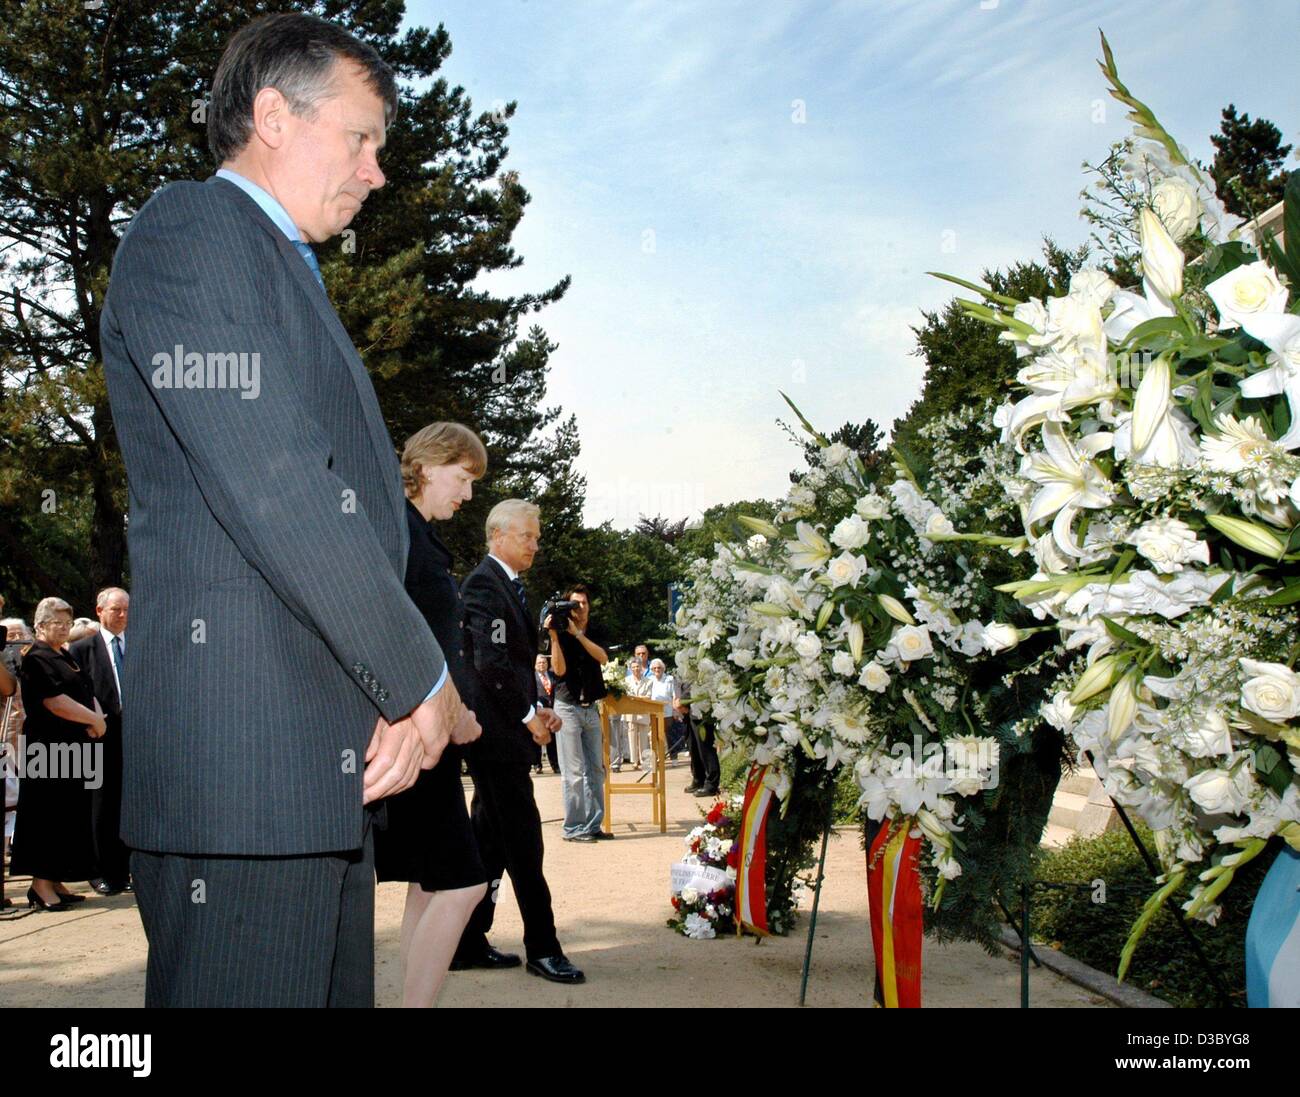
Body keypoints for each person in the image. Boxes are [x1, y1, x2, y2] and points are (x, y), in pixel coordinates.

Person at [98, 12, 476, 1006]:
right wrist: (418, 678)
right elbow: (280, 482)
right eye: (360, 139)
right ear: (273, 115)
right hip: (246, 782)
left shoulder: (272, 263)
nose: (375, 172)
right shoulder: (192, 229)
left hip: (313, 779)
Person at [372, 422, 489, 1008]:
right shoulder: (401, 536)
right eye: (463, 478)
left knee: (428, 882)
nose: (467, 494)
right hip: (416, 735)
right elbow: (393, 637)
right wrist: (452, 709)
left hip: (423, 736)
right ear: (428, 464)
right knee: (465, 884)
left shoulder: (411, 533)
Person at [454, 500, 583, 984]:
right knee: (525, 844)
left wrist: (537, 708)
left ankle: (468, 940)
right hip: (496, 738)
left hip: (503, 732)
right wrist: (529, 717)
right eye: (528, 535)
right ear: (499, 535)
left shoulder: (505, 586)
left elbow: (509, 664)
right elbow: (489, 665)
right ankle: (543, 948)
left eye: (536, 536)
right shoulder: (484, 585)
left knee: (490, 841)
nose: (535, 544)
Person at [9, 598, 105, 912]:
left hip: (74, 745)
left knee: (69, 816)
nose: (63, 628)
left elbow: (84, 691)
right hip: (48, 748)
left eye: (67, 623)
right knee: (47, 816)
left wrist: (96, 717)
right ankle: (40, 884)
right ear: (39, 626)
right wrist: (94, 720)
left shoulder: (63, 654)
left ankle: (56, 879)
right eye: (56, 623)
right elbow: (54, 701)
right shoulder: (36, 657)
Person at [69, 587, 132, 896]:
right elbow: (76, 692)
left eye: (126, 610)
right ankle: (100, 870)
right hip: (98, 737)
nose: (122, 615)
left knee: (127, 804)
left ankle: (124, 869)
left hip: (134, 738)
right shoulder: (82, 650)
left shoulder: (140, 645)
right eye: (115, 609)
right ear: (99, 611)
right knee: (101, 805)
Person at [548, 584, 610, 842]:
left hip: (591, 707)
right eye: (575, 604)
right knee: (573, 772)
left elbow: (603, 658)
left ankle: (593, 825)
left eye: (584, 603)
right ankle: (573, 828)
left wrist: (579, 636)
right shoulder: (560, 633)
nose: (580, 608)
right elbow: (559, 670)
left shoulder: (595, 630)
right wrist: (554, 637)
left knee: (596, 770)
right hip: (567, 707)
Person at [678, 676, 719, 797]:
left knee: (705, 748)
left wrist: (683, 701)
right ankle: (698, 779)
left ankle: (711, 784)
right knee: (693, 747)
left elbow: (697, 682)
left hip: (702, 710)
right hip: (689, 711)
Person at [646, 658, 682, 760]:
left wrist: (675, 710)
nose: (657, 670)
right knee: (656, 735)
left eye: (659, 668)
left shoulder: (669, 679)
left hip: (668, 712)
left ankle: (674, 757)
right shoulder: (650, 680)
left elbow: (675, 695)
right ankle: (659, 757)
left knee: (670, 735)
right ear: (652, 670)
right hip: (654, 712)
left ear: (663, 668)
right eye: (654, 668)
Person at [532, 656, 560, 775]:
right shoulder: (532, 677)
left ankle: (555, 765)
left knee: (552, 740)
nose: (542, 664)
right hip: (539, 711)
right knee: (538, 737)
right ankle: (537, 765)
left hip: (553, 711)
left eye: (543, 662)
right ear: (535, 665)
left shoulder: (552, 675)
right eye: (539, 663)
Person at [624, 657, 653, 769]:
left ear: (641, 667)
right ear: (630, 668)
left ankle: (644, 761)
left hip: (643, 712)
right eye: (633, 667)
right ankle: (634, 761)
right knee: (632, 737)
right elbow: (625, 697)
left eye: (637, 666)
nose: (636, 669)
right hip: (630, 712)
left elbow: (648, 696)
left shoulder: (648, 681)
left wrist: (636, 698)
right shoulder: (626, 681)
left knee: (643, 737)